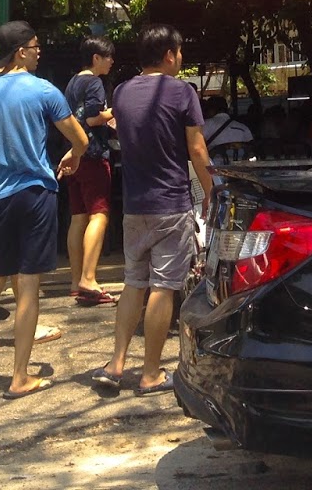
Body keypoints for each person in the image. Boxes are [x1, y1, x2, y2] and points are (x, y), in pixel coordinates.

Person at [0, 21, 87, 403]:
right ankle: (19, 377)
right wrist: (74, 157)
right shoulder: (43, 90)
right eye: (34, 45)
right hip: (36, 194)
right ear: (19, 52)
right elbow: (79, 138)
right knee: (28, 285)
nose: (38, 51)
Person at [91, 23, 211, 397]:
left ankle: (115, 365)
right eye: (179, 51)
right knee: (163, 287)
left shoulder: (123, 91)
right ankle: (151, 373)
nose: (181, 58)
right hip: (170, 203)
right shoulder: (182, 92)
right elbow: (197, 149)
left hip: (134, 204)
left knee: (134, 283)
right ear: (169, 55)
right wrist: (213, 192)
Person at [64, 34, 117, 306]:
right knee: (99, 215)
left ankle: (76, 281)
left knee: (78, 217)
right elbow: (94, 117)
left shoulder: (72, 83)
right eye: (108, 56)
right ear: (96, 58)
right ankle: (89, 278)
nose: (111, 61)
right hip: (94, 155)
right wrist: (114, 112)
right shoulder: (95, 82)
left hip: (74, 156)